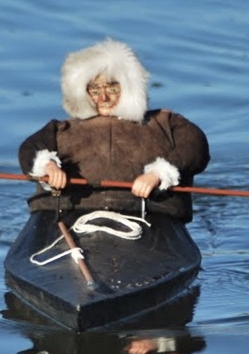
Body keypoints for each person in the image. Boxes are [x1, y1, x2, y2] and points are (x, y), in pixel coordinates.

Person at [18, 38, 210, 221]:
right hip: (66, 215)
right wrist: (49, 167)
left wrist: (158, 174)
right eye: (94, 91)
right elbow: (30, 149)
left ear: (129, 88)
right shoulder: (60, 130)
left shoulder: (165, 122)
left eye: (112, 89)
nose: (103, 99)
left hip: (153, 216)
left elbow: (194, 146)